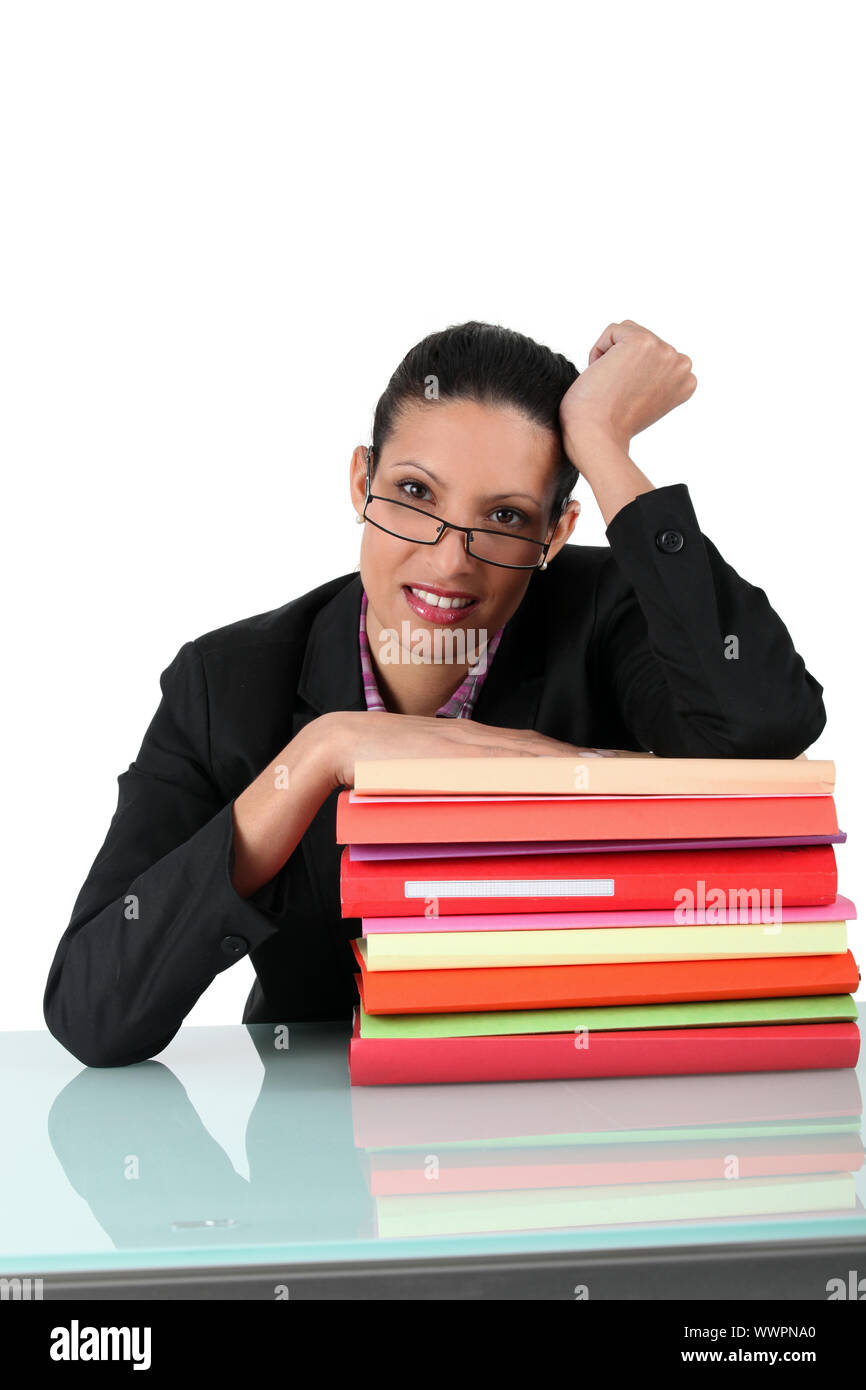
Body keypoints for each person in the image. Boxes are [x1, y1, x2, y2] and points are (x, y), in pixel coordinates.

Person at [43, 319, 826, 1067]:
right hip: (323, 1147)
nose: (452, 562)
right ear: (361, 480)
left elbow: (761, 726)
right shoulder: (226, 683)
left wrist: (604, 445)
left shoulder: (607, 616)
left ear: (555, 535)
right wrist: (321, 751)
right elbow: (92, 1011)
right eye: (416, 493)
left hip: (573, 1113)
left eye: (507, 516)